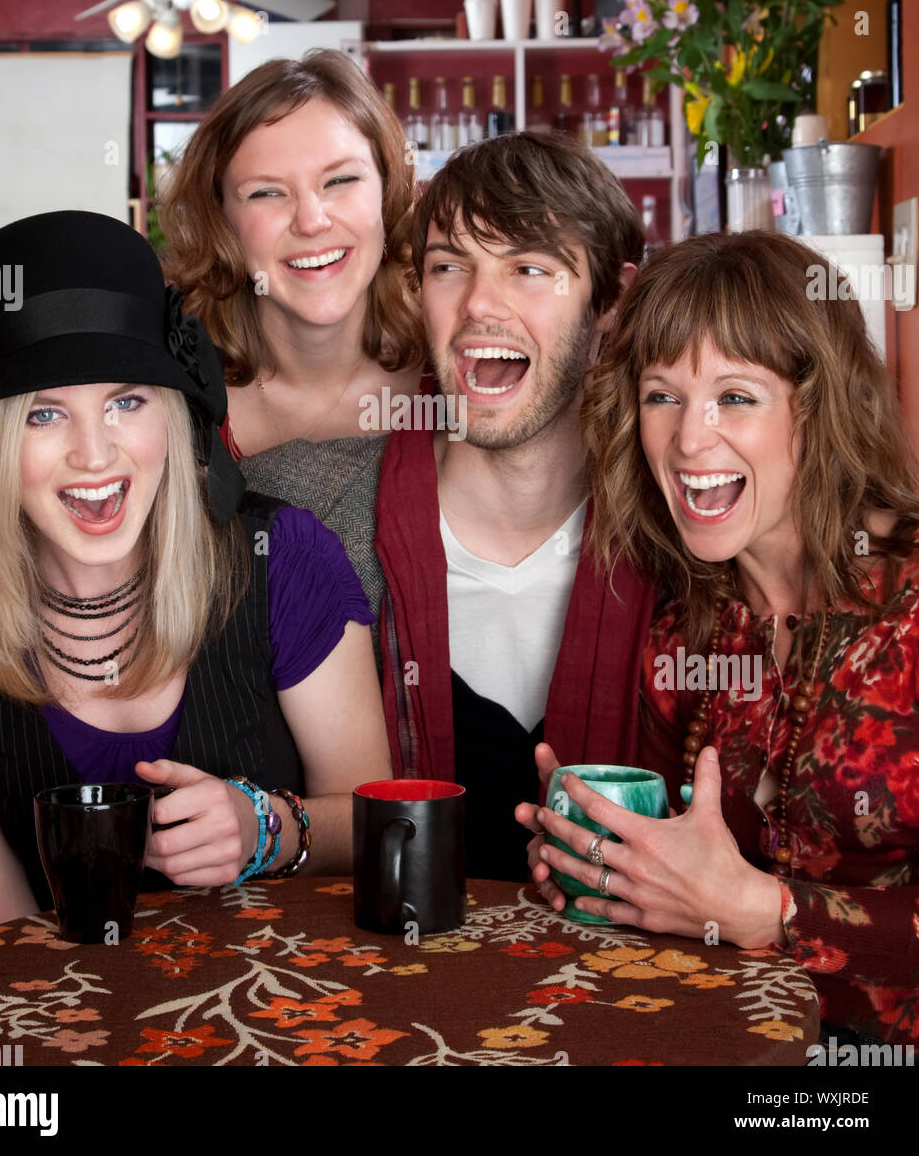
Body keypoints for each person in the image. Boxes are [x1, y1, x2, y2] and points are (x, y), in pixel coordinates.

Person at [0, 211, 391, 942]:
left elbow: (378, 823)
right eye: (45, 416)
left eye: (126, 402)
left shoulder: (284, 560)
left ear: (171, 413)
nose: (95, 455)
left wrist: (266, 828)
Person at [524, 232, 919, 1045]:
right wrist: (616, 867)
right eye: (662, 396)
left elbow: (740, 904)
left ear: (820, 405)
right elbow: (688, 874)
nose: (690, 441)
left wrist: (765, 910)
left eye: (735, 397)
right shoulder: (685, 622)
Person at [376, 131, 656, 881]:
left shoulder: (683, 545)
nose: (478, 305)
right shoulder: (331, 525)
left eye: (530, 268)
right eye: (448, 267)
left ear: (613, 301)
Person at [161, 50, 424, 622]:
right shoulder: (171, 390)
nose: (311, 221)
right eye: (266, 192)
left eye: (341, 180)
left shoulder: (457, 370)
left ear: (388, 190)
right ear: (221, 217)